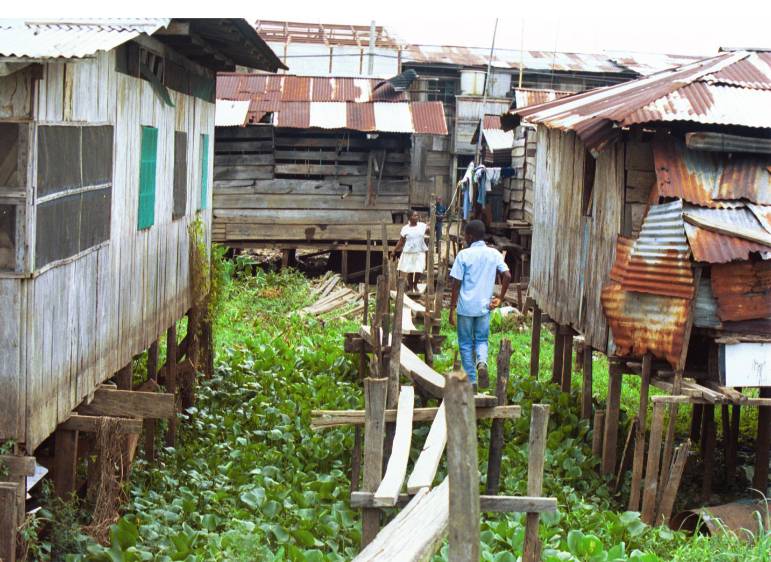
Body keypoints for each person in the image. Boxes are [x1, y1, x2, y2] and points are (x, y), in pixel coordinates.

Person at [449, 220, 511, 390]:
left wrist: (451, 309)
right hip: (485, 306)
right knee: (482, 340)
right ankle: (482, 363)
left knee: (466, 343)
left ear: (469, 236)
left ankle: (472, 381)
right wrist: (500, 297)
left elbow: (456, 284)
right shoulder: (494, 254)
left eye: (464, 236)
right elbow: (507, 275)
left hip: (465, 307)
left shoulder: (464, 255)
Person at [392, 210, 428, 293]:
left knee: (419, 269)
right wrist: (394, 250)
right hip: (409, 252)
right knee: (410, 270)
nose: (416, 217)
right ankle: (411, 288)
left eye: (417, 215)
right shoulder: (405, 228)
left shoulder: (422, 226)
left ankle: (415, 286)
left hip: (420, 251)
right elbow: (401, 241)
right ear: (409, 218)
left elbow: (428, 232)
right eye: (414, 216)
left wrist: (429, 227)